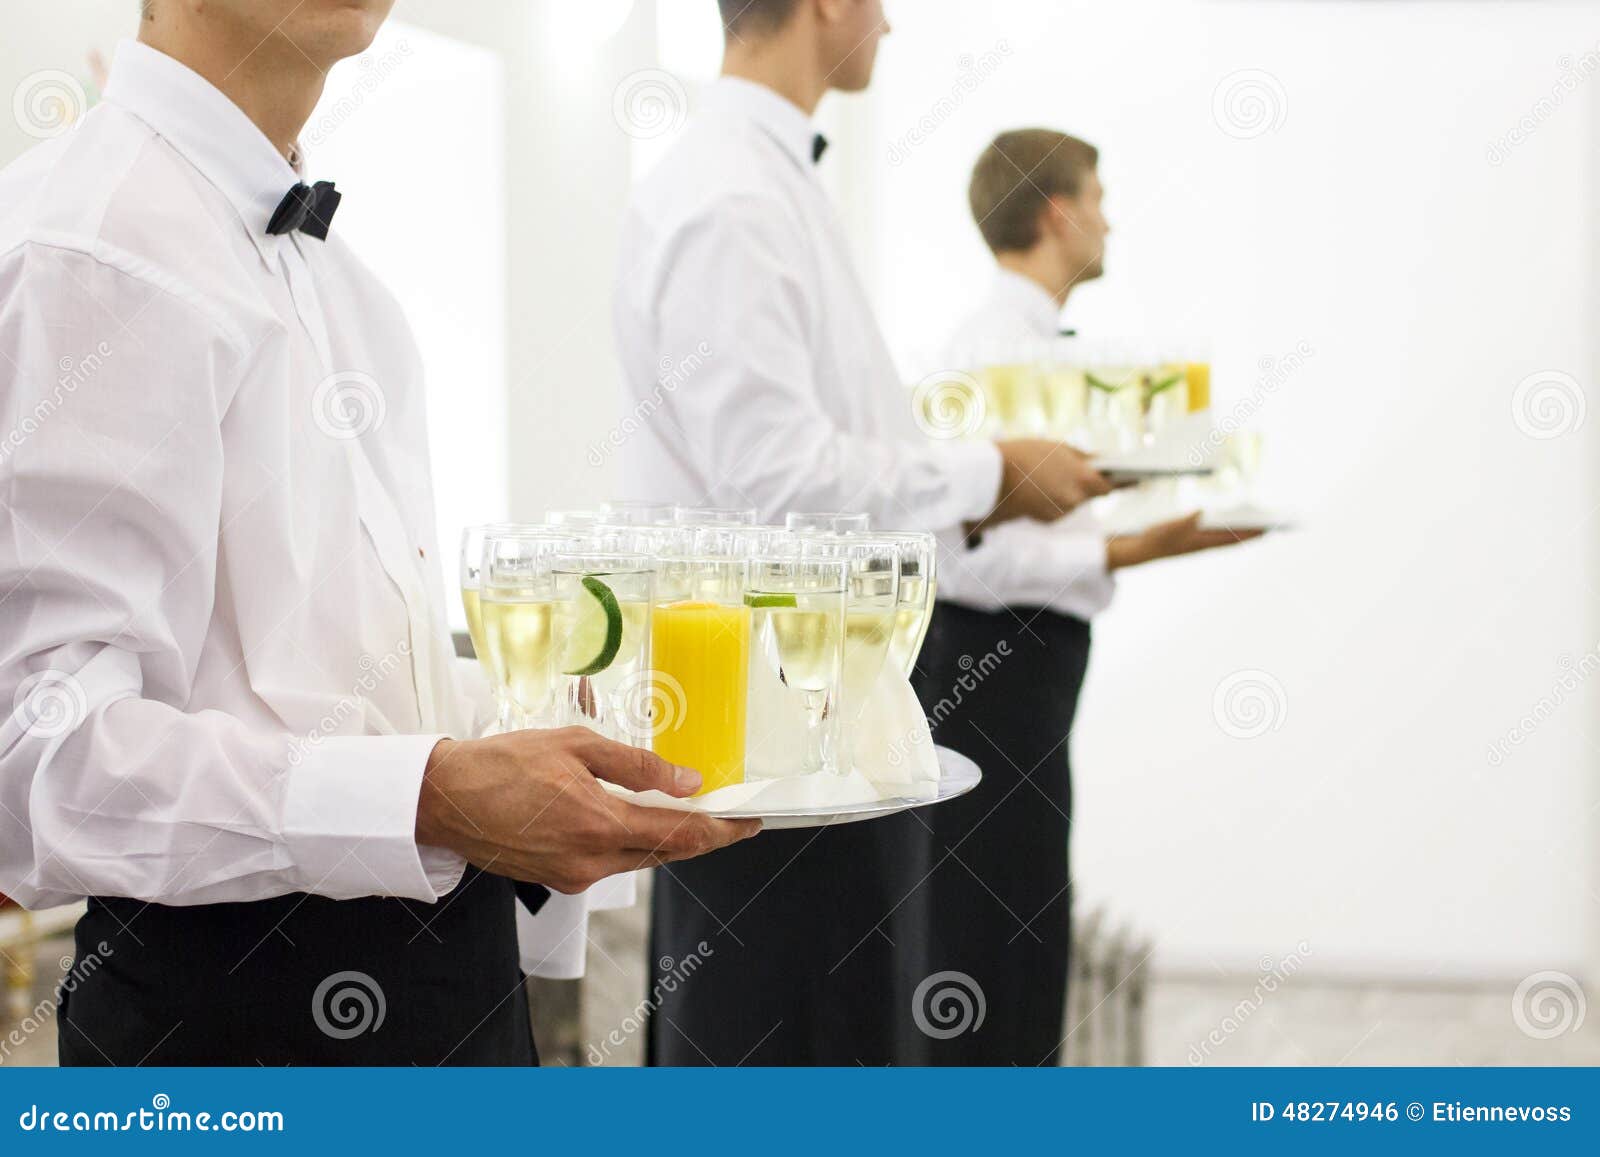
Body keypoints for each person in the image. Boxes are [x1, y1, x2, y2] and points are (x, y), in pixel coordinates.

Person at [0, 0, 758, 1067]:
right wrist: (435, 792)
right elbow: (36, 755)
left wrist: (535, 735)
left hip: (454, 984)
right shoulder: (86, 243)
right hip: (226, 1024)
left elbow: (345, 683)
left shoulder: (353, 291)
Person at [612, 0, 1112, 1065]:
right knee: (775, 1036)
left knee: (830, 1024)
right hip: (766, 725)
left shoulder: (765, 181)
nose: (888, 23)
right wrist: (990, 473)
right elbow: (776, 477)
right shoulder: (732, 196)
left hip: (806, 718)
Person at [910, 128, 1260, 1064]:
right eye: (1098, 197)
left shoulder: (1038, 350)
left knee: (1024, 924)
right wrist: (1146, 543)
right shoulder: (986, 352)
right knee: (985, 939)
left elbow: (1026, 525)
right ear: (1058, 213)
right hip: (989, 678)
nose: (1109, 218)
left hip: (1029, 678)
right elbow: (964, 557)